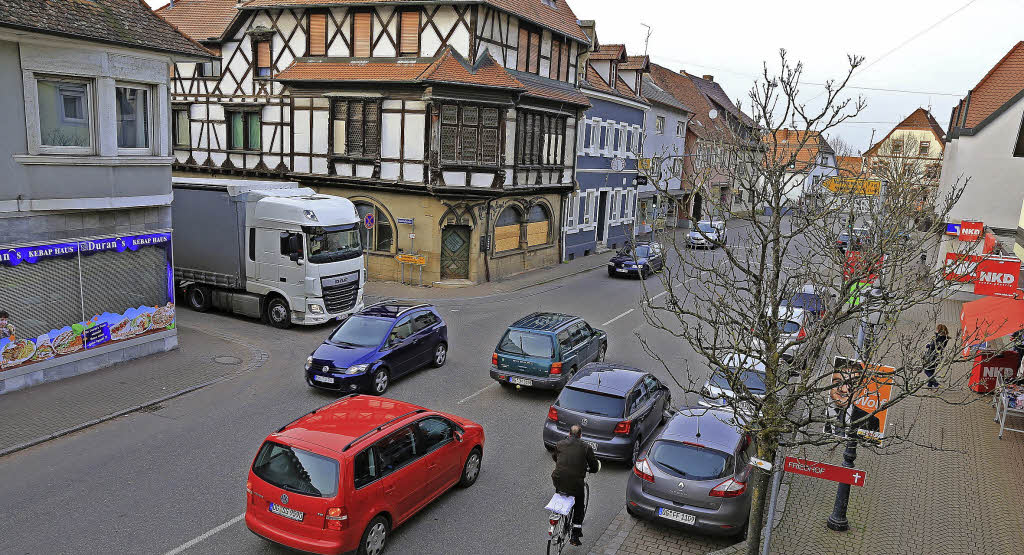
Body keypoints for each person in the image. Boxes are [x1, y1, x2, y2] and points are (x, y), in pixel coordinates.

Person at [551, 425, 599, 546]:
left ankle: (557, 512)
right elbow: (594, 466)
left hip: (558, 479)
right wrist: (592, 469)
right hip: (576, 483)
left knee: (561, 490)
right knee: (579, 506)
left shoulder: (559, 444)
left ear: (569, 434)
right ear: (580, 435)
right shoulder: (586, 447)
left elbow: (555, 457)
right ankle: (575, 535)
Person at [923, 324, 949, 388]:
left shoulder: (938, 338)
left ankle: (936, 384)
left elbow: (934, 346)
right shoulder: (946, 338)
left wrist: (928, 345)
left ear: (939, 330)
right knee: (931, 371)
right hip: (938, 356)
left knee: (927, 371)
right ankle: (929, 385)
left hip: (932, 356)